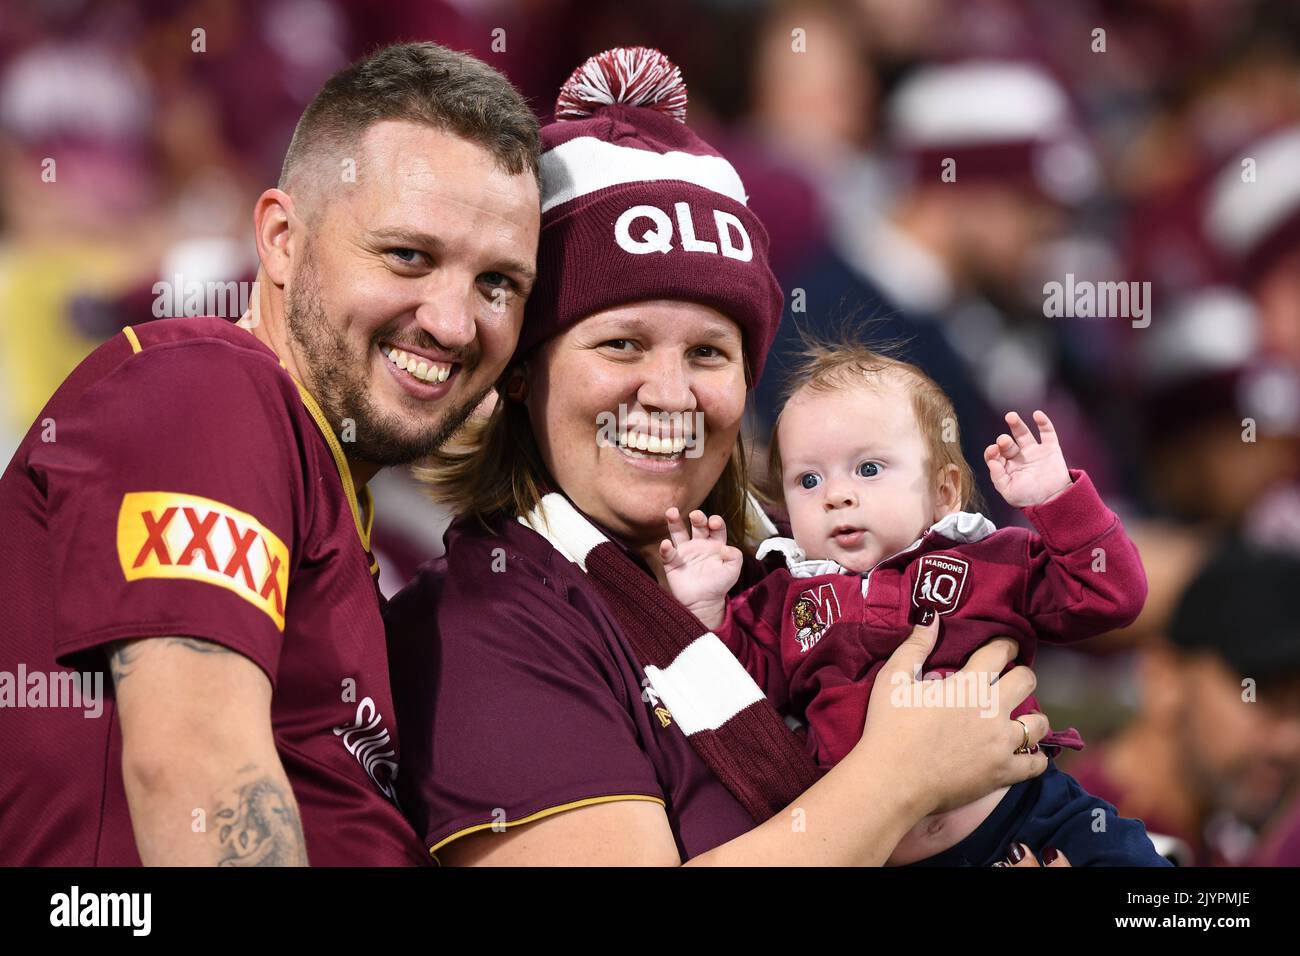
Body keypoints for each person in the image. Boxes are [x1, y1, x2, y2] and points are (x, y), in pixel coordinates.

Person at [386, 47, 1061, 867]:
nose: (670, 394)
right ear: (523, 371)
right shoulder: (478, 620)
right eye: (622, 343)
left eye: (708, 352)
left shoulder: (803, 558)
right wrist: (898, 782)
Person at [0, 42, 540, 865]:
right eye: (409, 256)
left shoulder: (329, 499)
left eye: (497, 283)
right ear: (282, 240)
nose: (456, 322)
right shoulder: (209, 390)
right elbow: (203, 786)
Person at [661, 341, 1168, 866]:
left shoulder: (989, 560)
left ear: (943, 491)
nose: (836, 495)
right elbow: (740, 696)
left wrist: (1059, 500)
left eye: (869, 468)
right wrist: (706, 609)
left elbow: (1113, 597)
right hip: (885, 850)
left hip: (1028, 814)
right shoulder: (784, 598)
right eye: (808, 479)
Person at [1069, 538, 1300, 865]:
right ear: (1163, 678)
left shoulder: (1219, 846)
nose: (1291, 741)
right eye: (1265, 695)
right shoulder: (1059, 834)